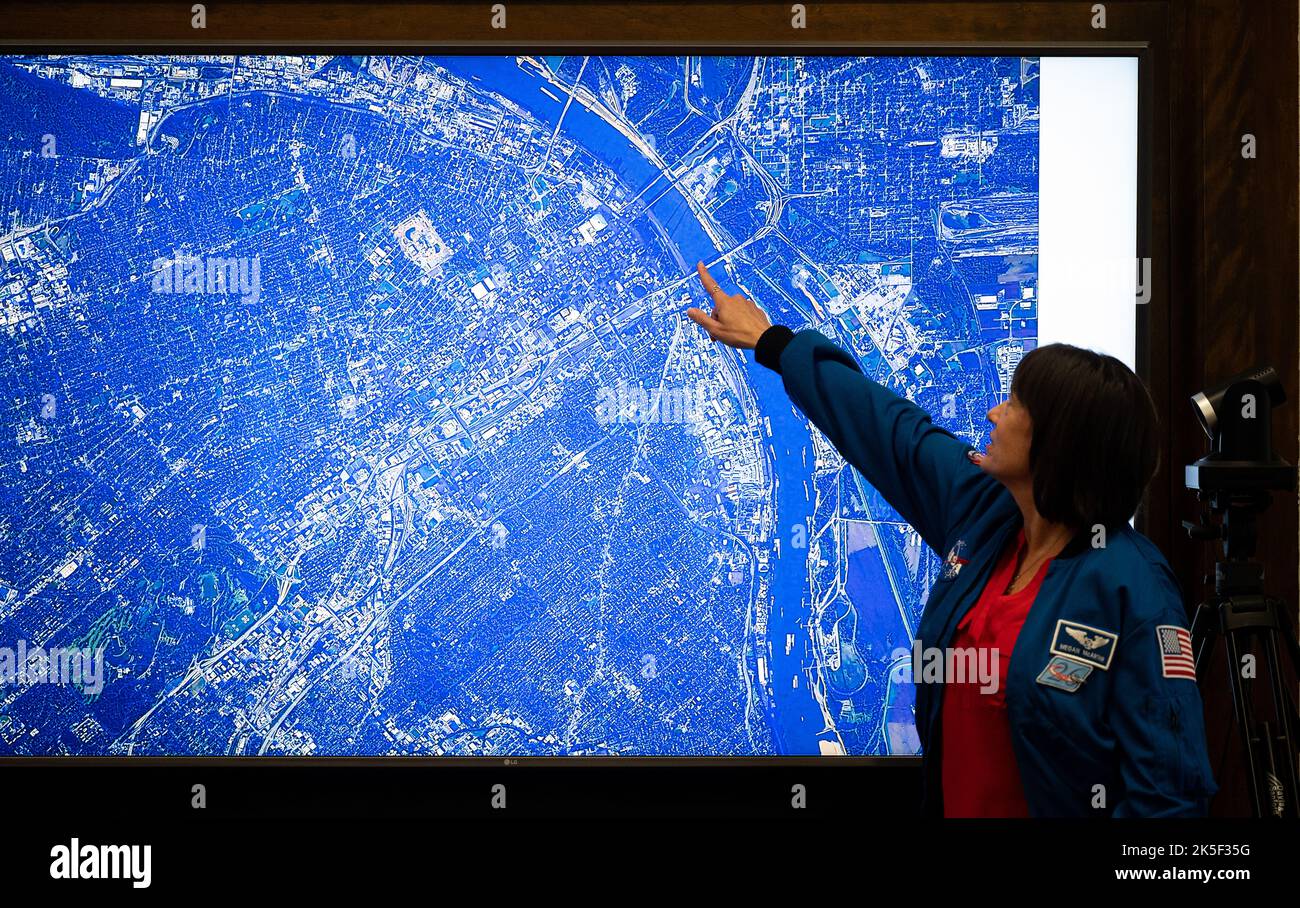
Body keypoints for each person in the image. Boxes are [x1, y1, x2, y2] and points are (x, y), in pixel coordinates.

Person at [687, 261, 1219, 817]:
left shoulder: (1132, 587)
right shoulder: (987, 515)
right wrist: (773, 343)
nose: (994, 412)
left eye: (1014, 405)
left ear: (1056, 443)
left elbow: (1169, 798)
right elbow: (888, 428)